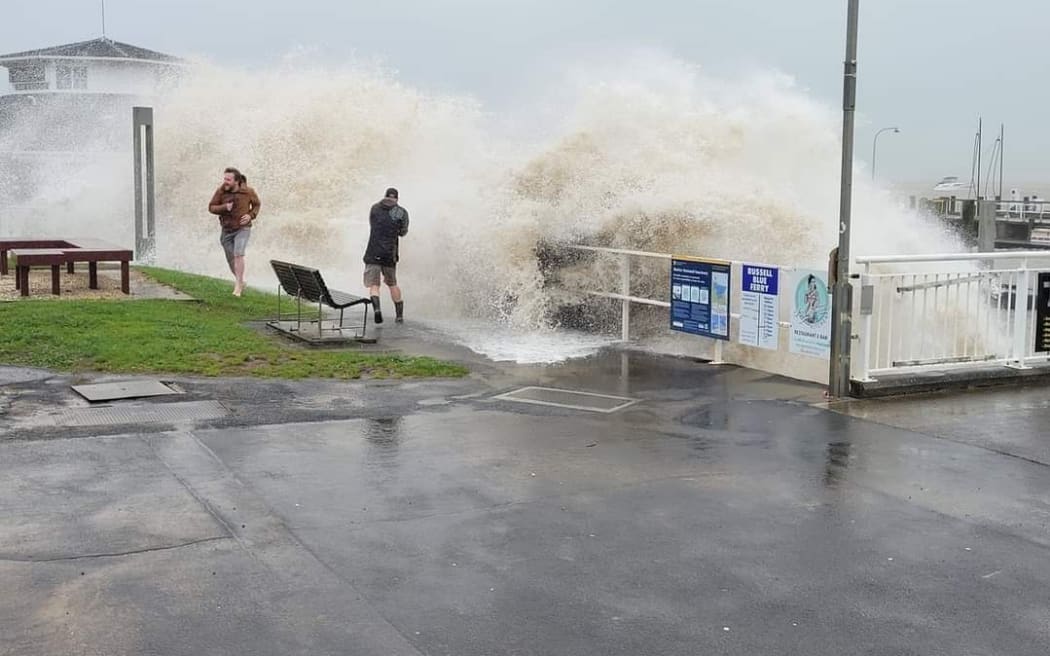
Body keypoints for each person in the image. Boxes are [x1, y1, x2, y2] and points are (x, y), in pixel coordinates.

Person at [207, 167, 261, 296]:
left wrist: (250, 215)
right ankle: (240, 281)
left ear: (236, 181)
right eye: (225, 178)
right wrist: (225, 207)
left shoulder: (248, 191)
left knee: (238, 254)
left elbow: (257, 204)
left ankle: (238, 287)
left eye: (228, 179)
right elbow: (211, 207)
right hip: (226, 230)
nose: (225, 182)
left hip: (243, 228)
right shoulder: (221, 191)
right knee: (231, 258)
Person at [363, 187, 409, 323]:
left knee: (374, 286)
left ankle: (377, 309)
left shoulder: (375, 208)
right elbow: (403, 232)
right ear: (397, 198)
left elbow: (372, 224)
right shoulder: (401, 212)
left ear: (385, 196)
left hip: (373, 252)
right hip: (389, 254)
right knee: (392, 284)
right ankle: (399, 315)